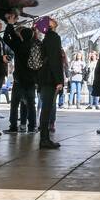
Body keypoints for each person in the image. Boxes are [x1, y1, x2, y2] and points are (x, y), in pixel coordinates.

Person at [30, 16, 65, 149]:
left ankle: (44, 138)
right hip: (50, 78)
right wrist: (59, 80)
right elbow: (54, 60)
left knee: (46, 108)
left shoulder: (47, 38)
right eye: (50, 19)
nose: (53, 19)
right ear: (47, 25)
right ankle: (44, 139)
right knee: (47, 109)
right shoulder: (53, 37)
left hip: (44, 77)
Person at [5, 19, 37, 132]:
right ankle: (32, 126)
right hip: (31, 80)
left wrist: (10, 25)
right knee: (31, 105)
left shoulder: (18, 46)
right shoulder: (34, 46)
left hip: (19, 80)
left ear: (21, 36)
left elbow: (7, 38)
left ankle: (13, 126)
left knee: (14, 105)